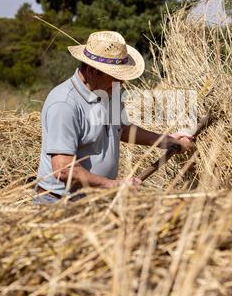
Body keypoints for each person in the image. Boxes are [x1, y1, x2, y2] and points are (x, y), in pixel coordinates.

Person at [34, 31, 192, 203]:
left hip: (94, 200)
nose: (122, 82)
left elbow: (122, 129)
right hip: (59, 203)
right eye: (116, 76)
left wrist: (167, 140)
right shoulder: (64, 104)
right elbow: (63, 170)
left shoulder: (109, 90)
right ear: (93, 71)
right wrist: (112, 185)